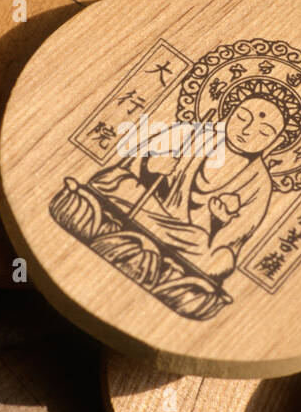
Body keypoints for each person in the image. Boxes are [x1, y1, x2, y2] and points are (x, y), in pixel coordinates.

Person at [89, 96, 288, 282]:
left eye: (264, 132)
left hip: (190, 240)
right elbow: (129, 165)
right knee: (114, 181)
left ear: (275, 142)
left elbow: (230, 241)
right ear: (228, 112)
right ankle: (156, 254)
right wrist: (150, 166)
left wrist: (218, 223)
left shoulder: (259, 185)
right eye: (243, 117)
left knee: (219, 261)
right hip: (147, 207)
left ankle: (133, 236)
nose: (246, 131)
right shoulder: (191, 133)